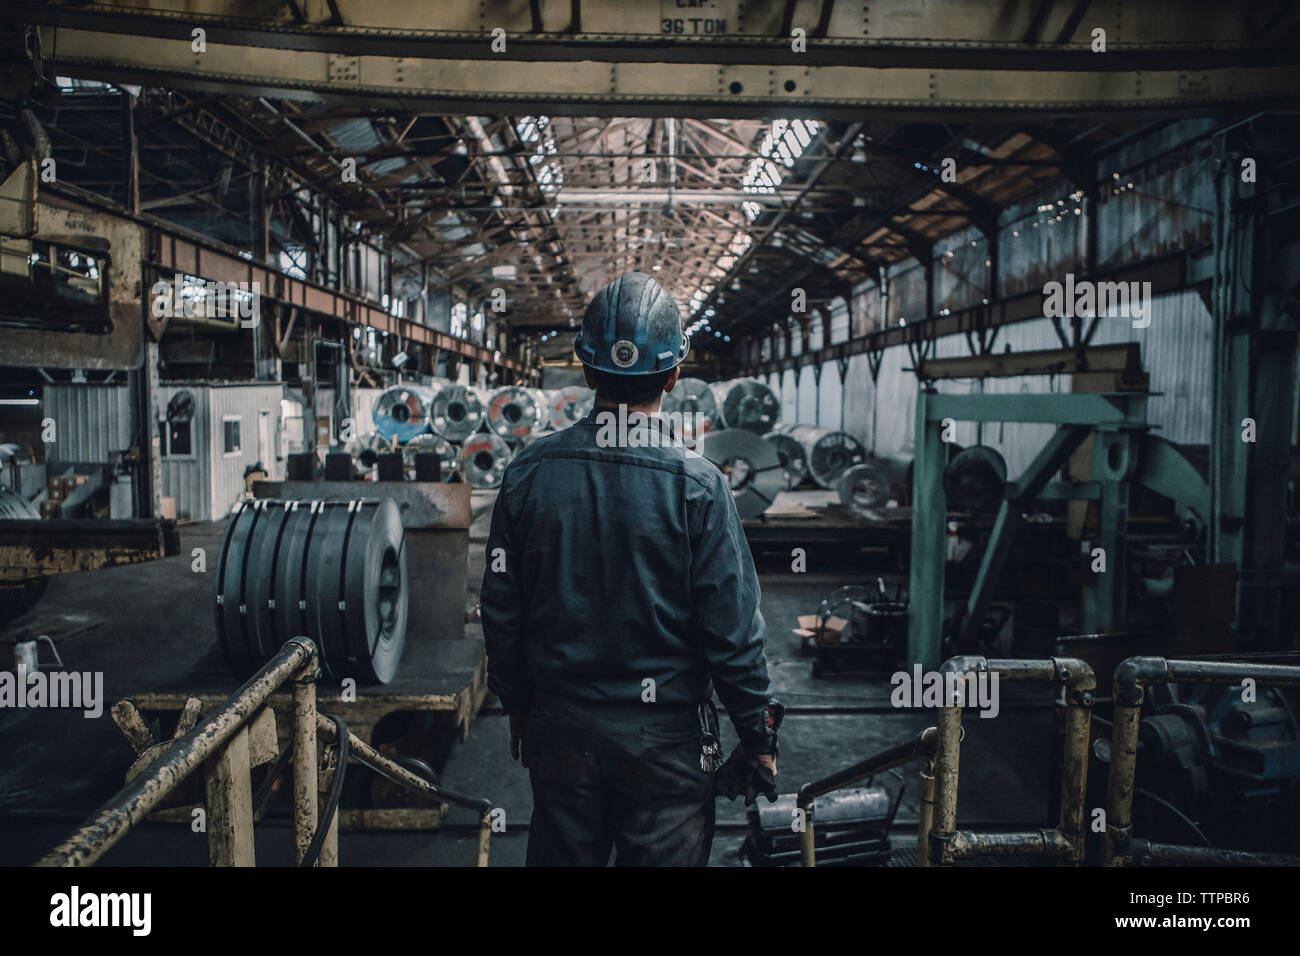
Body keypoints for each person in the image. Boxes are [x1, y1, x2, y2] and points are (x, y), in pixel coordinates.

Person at [480, 271, 781, 866]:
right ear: (674, 374)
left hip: (559, 727)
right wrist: (757, 733)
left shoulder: (528, 473)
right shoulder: (698, 486)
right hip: (665, 744)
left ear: (586, 372)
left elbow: (501, 609)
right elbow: (732, 631)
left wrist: (517, 703)